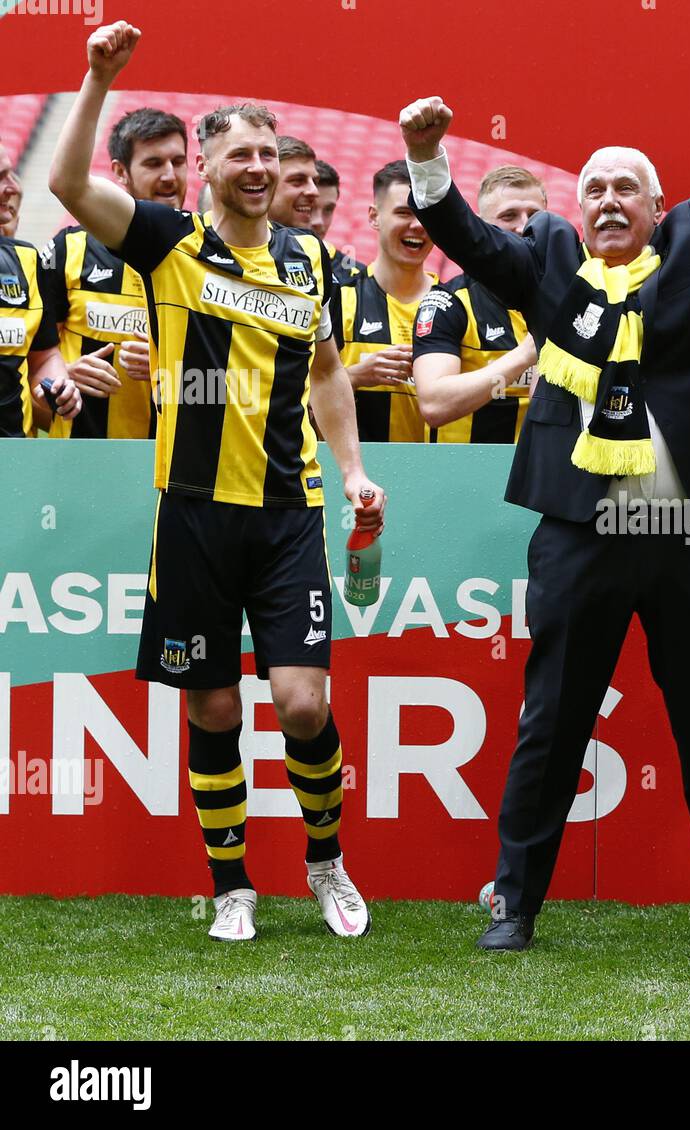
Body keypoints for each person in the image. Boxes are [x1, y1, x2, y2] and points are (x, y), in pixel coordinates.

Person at [399, 75, 690, 951]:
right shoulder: (544, 259)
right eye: (592, 187)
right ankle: (515, 906)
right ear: (575, 206)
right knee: (552, 719)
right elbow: (467, 237)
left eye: (624, 187)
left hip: (686, 535)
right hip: (580, 534)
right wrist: (426, 159)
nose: (606, 200)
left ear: (656, 205)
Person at [49, 21, 387, 943]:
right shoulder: (165, 242)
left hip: (288, 516)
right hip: (194, 517)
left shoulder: (310, 258)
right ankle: (232, 884)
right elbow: (68, 185)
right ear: (204, 164)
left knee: (303, 702)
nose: (258, 166)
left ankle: (325, 863)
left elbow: (325, 373)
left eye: (269, 154)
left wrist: (353, 469)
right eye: (239, 151)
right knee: (213, 705)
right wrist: (95, 75)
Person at [40, 107, 186, 439]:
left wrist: (170, 371)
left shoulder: (208, 257)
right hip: (78, 462)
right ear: (120, 172)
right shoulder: (69, 250)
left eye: (178, 162)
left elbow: (235, 390)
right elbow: (34, 371)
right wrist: (63, 376)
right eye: (153, 163)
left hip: (172, 469)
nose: (169, 176)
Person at [411, 165, 545, 444]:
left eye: (535, 215)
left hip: (539, 480)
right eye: (509, 216)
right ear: (482, 226)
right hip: (461, 479)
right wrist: (526, 355)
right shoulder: (448, 302)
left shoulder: (570, 300)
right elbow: (435, 404)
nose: (523, 226)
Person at [334, 161, 438, 442]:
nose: (417, 225)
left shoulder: (457, 305)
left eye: (426, 215)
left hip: (443, 475)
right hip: (354, 477)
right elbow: (298, 396)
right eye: (404, 213)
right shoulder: (339, 300)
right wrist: (354, 377)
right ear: (374, 216)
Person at [0, 142, 81, 435]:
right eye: (0, 178)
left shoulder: (26, 260)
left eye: (11, 174)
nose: (12, 187)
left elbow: (43, 356)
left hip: (14, 461)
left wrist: (59, 384)